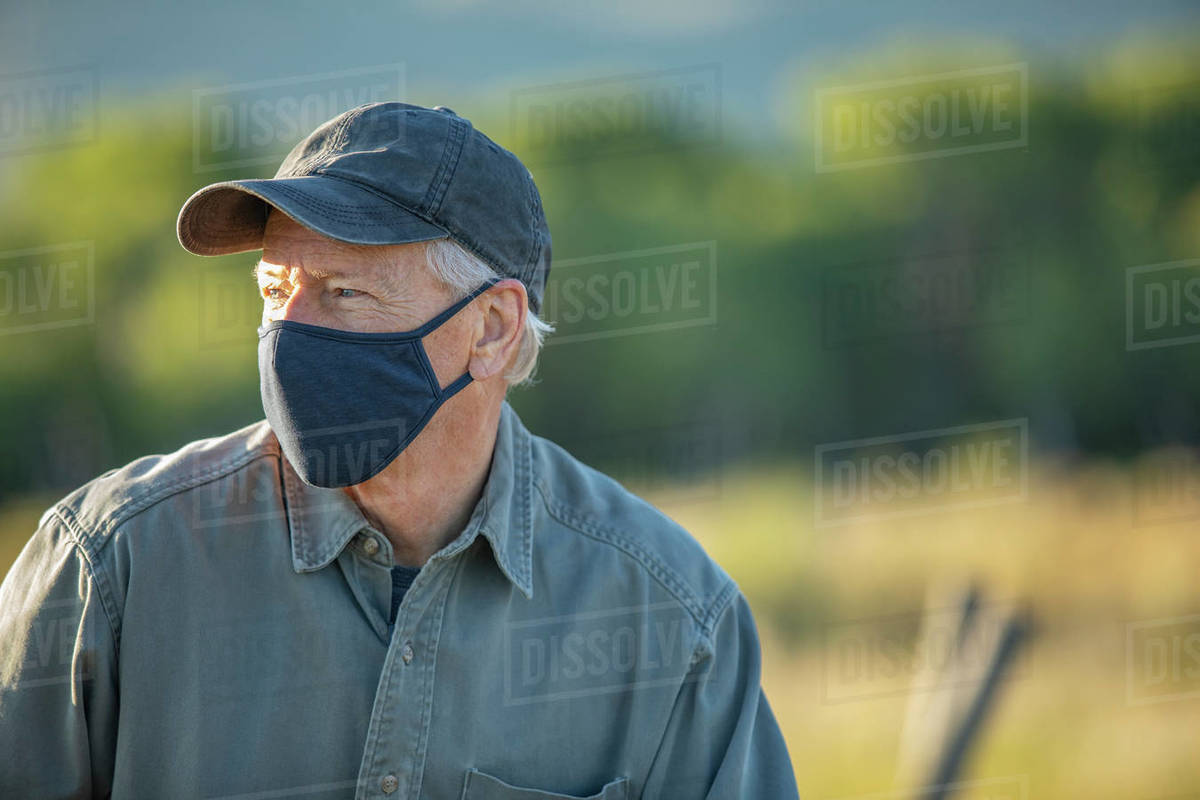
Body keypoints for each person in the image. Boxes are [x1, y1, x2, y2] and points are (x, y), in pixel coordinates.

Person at [0, 102, 798, 799]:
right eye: (276, 292)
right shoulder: (113, 568)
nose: (289, 336)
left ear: (492, 329)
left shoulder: (675, 619)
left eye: (345, 291)